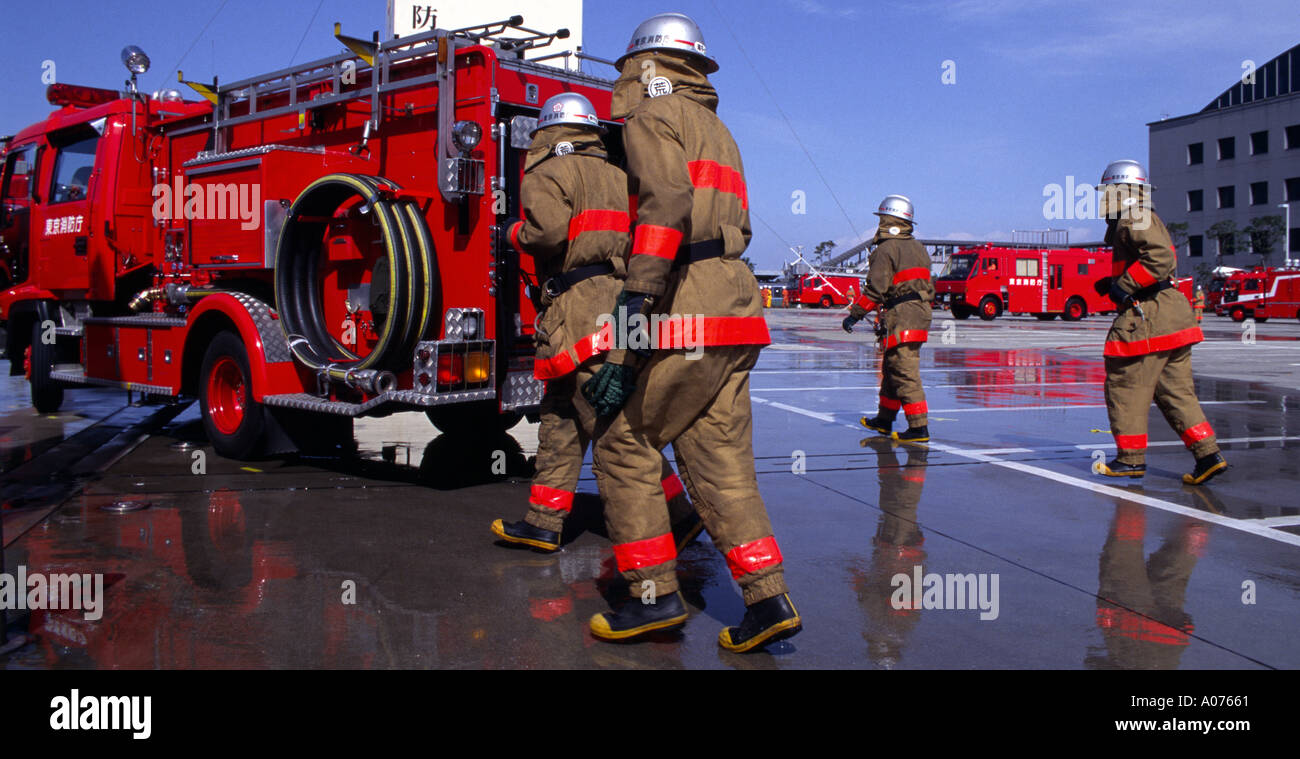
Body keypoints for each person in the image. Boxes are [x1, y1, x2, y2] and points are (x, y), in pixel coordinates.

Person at [580, 12, 800, 652]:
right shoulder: (717, 127)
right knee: (721, 461)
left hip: (685, 305)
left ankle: (653, 597)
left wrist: (636, 304)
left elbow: (667, 206)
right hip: (735, 307)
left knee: (623, 440)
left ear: (641, 65)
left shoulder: (653, 113)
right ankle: (768, 600)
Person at [491, 92, 701, 553]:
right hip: (616, 298)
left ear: (547, 131)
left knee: (613, 427)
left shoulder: (546, 172)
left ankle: (678, 518)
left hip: (576, 307)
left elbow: (546, 234)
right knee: (561, 418)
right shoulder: (617, 173)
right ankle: (544, 520)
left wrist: (510, 232)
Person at [1091, 160, 1226, 484]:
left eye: (1106, 192)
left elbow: (1159, 258)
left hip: (1149, 317)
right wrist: (1113, 284)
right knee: (1176, 393)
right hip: (1170, 317)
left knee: (1126, 386)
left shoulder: (1134, 215)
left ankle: (1130, 460)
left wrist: (1123, 286)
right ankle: (1208, 455)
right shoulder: (1139, 216)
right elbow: (1153, 262)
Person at [842, 195, 934, 442]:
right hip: (918, 313)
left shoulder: (886, 249)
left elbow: (876, 289)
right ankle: (884, 419)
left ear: (888, 220)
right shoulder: (919, 248)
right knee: (892, 367)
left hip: (902, 316)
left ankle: (918, 427)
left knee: (904, 370)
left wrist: (854, 315)